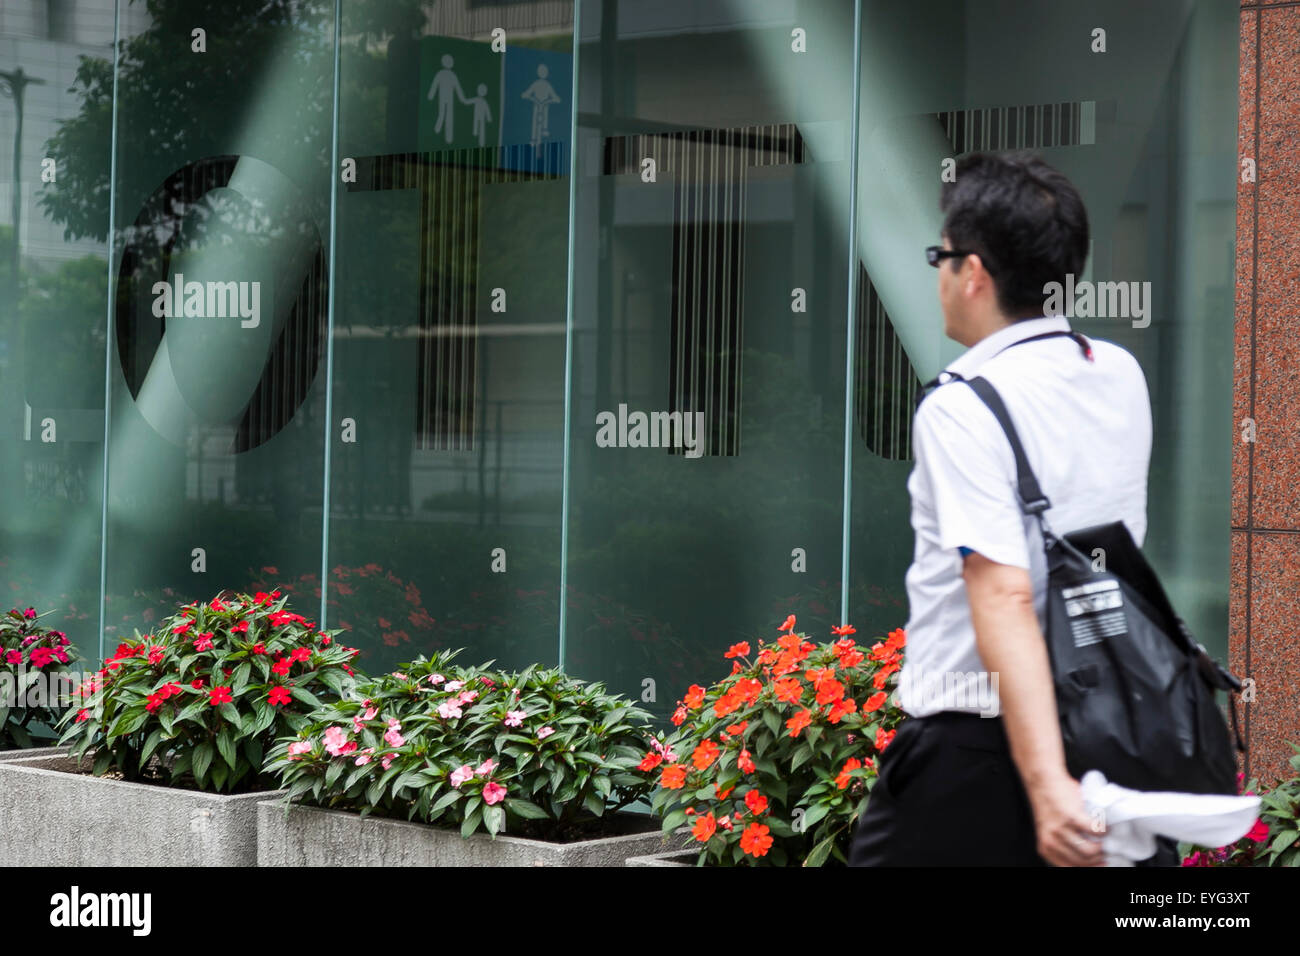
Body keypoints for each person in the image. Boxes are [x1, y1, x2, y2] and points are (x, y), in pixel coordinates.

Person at [848, 151, 1155, 867]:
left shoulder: (962, 403)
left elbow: (1003, 591)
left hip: (972, 745)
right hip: (1103, 729)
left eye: (941, 256)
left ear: (975, 273)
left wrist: (1044, 786)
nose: (938, 275)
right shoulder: (1117, 374)